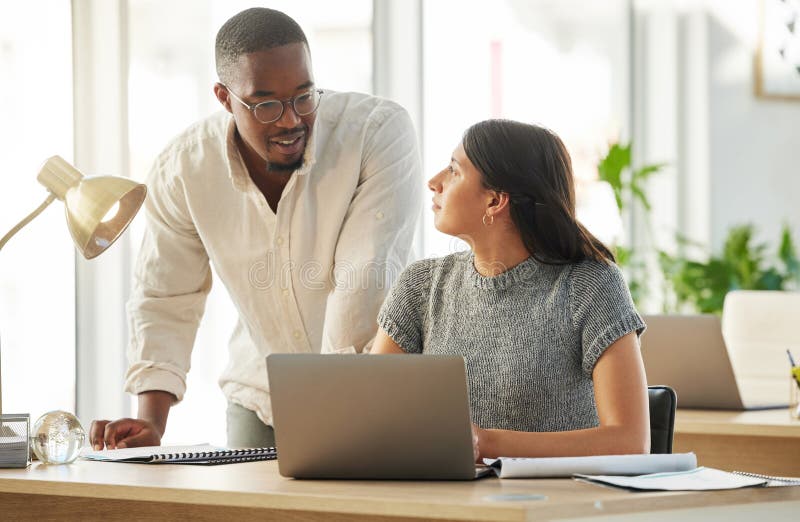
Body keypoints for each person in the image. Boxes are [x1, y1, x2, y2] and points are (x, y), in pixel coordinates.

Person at [90, 8, 422, 450]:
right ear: (224, 98)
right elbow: (166, 296)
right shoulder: (184, 169)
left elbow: (363, 278)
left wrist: (336, 414)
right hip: (263, 395)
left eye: (304, 96)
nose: (290, 120)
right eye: (265, 104)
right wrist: (151, 422)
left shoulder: (376, 132)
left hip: (372, 390)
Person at [371, 119, 649, 460]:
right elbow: (370, 412)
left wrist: (485, 444)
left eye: (454, 171)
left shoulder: (590, 285)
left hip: (557, 494)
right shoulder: (421, 285)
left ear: (494, 201)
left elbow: (629, 442)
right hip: (443, 490)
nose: (434, 182)